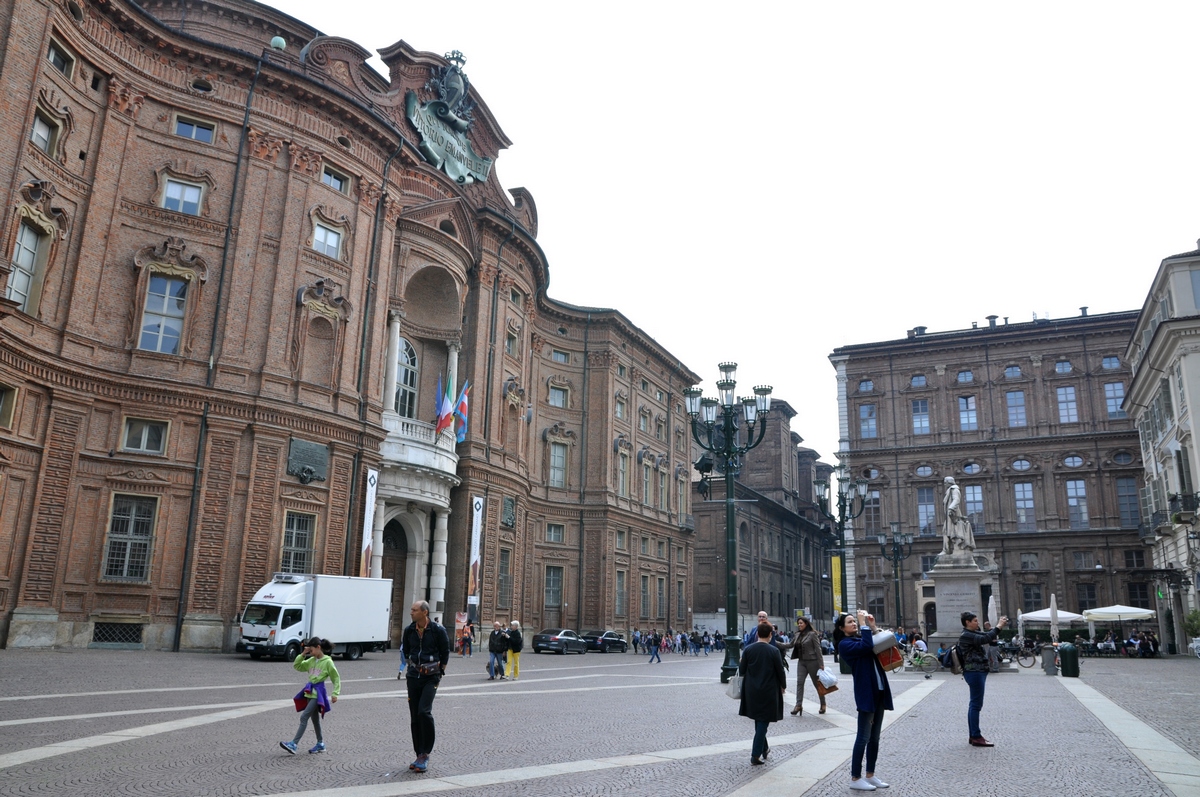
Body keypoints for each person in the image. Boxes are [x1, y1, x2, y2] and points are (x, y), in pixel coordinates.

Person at [836, 610, 893, 791]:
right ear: (841, 628)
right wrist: (863, 624)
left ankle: (870, 774)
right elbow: (867, 646)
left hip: (879, 690)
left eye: (855, 621)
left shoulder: (862, 638)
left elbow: (884, 644)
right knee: (863, 737)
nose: (853, 624)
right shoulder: (845, 644)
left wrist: (873, 626)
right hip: (866, 693)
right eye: (850, 622)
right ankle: (855, 777)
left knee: (874, 738)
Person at [402, 600, 450, 773]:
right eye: (411, 609)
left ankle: (426, 753)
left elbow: (445, 652)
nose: (411, 612)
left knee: (424, 711)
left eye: (414, 610)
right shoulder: (409, 630)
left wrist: (439, 672)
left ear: (424, 612)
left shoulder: (438, 630)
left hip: (431, 677)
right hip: (414, 677)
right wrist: (411, 668)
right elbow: (406, 650)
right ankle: (419, 754)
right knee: (415, 716)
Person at [280, 637, 340, 755]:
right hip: (309, 692)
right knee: (315, 720)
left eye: (311, 650)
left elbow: (336, 677)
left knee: (304, 717)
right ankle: (320, 744)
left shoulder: (328, 662)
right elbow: (297, 666)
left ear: (318, 648)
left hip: (318, 694)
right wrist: (303, 653)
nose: (310, 653)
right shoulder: (311, 660)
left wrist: (335, 693)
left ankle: (294, 744)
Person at [738, 622, 786, 765]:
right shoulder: (774, 651)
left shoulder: (748, 649)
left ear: (757, 634)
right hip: (768, 689)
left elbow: (742, 670)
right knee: (763, 721)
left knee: (759, 719)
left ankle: (764, 749)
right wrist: (783, 685)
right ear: (771, 635)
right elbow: (780, 671)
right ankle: (755, 754)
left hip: (751, 690)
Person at [959, 610, 1008, 747]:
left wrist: (997, 628)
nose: (977, 623)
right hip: (974, 671)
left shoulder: (972, 633)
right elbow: (985, 639)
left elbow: (987, 636)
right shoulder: (966, 635)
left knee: (974, 704)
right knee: (976, 705)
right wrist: (999, 626)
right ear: (967, 622)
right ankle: (976, 736)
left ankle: (973, 735)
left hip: (977, 671)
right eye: (975, 621)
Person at [785, 615, 826, 716]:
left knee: (817, 684)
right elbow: (790, 645)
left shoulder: (812, 634)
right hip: (802, 662)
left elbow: (818, 649)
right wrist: (775, 642)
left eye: (801, 623)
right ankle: (798, 705)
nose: (799, 625)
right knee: (799, 683)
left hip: (813, 662)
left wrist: (821, 664)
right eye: (798, 623)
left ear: (806, 624)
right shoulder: (797, 634)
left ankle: (823, 703)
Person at [941, 476, 976, 554]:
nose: (944, 484)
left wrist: (951, 508)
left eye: (945, 482)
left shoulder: (954, 489)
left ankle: (949, 550)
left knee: (952, 531)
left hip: (952, 514)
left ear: (948, 482)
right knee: (946, 531)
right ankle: (946, 550)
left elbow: (956, 499)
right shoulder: (950, 490)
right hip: (949, 514)